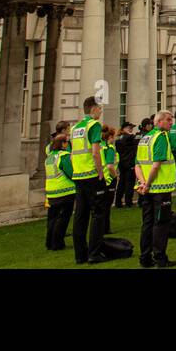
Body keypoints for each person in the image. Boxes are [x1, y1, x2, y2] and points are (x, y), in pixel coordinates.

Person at [136, 110, 176, 268]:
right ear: (159, 122)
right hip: (159, 189)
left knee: (147, 223)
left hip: (147, 188)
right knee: (161, 224)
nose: (171, 122)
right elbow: (156, 165)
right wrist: (147, 184)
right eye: (168, 119)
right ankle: (160, 258)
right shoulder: (160, 137)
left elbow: (137, 164)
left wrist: (142, 183)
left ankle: (145, 257)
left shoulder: (144, 138)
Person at [69, 96, 109, 264]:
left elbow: (72, 155)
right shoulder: (94, 126)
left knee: (80, 215)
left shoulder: (75, 128)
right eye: (100, 108)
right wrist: (100, 172)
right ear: (93, 109)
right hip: (92, 175)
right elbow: (95, 152)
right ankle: (94, 253)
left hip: (79, 175)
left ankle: (80, 255)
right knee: (98, 214)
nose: (100, 111)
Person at [44, 133, 75, 251]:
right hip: (65, 191)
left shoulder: (49, 157)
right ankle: (57, 243)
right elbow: (70, 172)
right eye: (66, 142)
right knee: (63, 219)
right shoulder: (63, 156)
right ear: (62, 143)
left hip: (51, 191)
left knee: (52, 218)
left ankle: (49, 242)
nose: (68, 144)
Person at [114, 122, 139, 207]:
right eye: (129, 128)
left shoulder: (118, 138)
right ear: (124, 128)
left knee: (121, 182)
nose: (131, 129)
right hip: (130, 163)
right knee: (129, 183)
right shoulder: (130, 137)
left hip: (122, 163)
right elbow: (137, 139)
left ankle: (118, 202)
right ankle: (128, 202)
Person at [100, 125, 119, 234]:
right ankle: (106, 228)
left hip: (100, 179)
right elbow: (110, 166)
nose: (114, 139)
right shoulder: (110, 148)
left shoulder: (99, 147)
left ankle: (101, 227)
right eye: (113, 137)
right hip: (109, 179)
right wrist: (116, 176)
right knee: (107, 207)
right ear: (109, 137)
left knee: (100, 206)